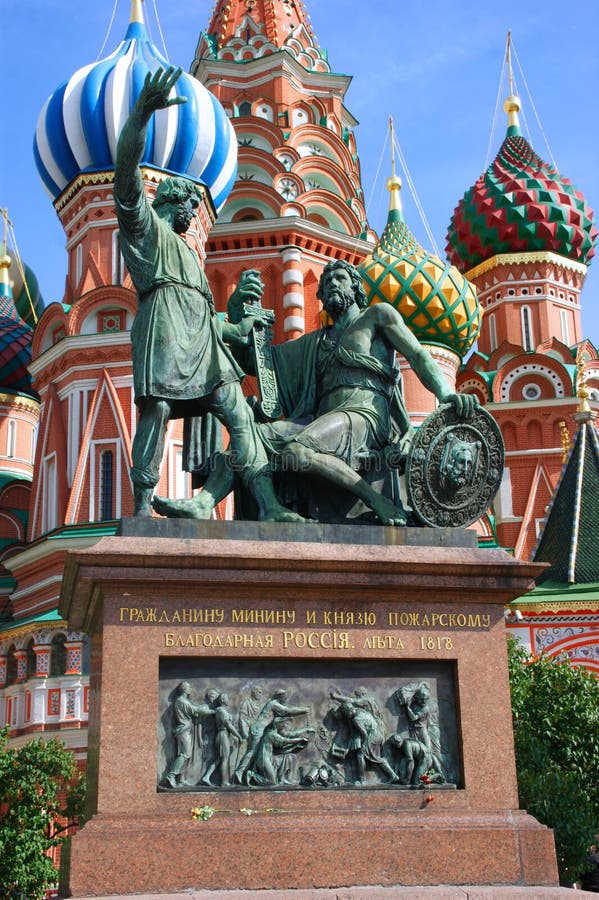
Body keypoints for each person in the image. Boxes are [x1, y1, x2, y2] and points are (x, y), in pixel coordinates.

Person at [153, 260, 478, 524]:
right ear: (320, 294)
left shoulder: (377, 316)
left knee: (296, 450)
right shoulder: (315, 342)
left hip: (365, 416)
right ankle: (204, 503)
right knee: (249, 437)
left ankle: (377, 501)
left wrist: (446, 394)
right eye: (328, 282)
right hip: (323, 417)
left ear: (356, 288)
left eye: (341, 278)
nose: (334, 284)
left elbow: (419, 355)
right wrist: (238, 315)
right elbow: (255, 362)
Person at [114, 66, 301, 522]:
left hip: (204, 342)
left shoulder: (187, 254)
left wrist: (235, 325)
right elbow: (125, 174)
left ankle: (269, 505)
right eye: (187, 205)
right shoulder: (145, 229)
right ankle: (141, 504)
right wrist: (140, 115)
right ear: (168, 202)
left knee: (239, 415)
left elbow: (204, 315)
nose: (193, 213)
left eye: (196, 208)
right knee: (157, 409)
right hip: (164, 332)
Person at [234, 688, 310, 784]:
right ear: (280, 697)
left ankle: (250, 772)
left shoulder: (273, 705)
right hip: (258, 729)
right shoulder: (273, 704)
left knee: (256, 752)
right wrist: (304, 710)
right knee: (253, 752)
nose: (285, 700)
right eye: (284, 698)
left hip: (259, 729)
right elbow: (288, 711)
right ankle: (240, 772)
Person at [164, 681, 214, 789]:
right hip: (183, 731)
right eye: (189, 687)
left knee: (187, 755)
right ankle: (171, 775)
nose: (191, 689)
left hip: (186, 731)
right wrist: (213, 711)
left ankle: (181, 779)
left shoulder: (184, 701)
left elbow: (194, 710)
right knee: (184, 754)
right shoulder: (181, 701)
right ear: (184, 689)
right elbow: (196, 710)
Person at [201, 693, 242, 787]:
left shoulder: (222, 711)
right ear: (223, 700)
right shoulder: (221, 711)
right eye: (227, 698)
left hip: (224, 735)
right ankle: (224, 782)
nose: (229, 699)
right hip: (223, 735)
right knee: (225, 759)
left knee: (219, 759)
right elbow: (228, 725)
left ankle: (206, 777)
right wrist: (238, 736)